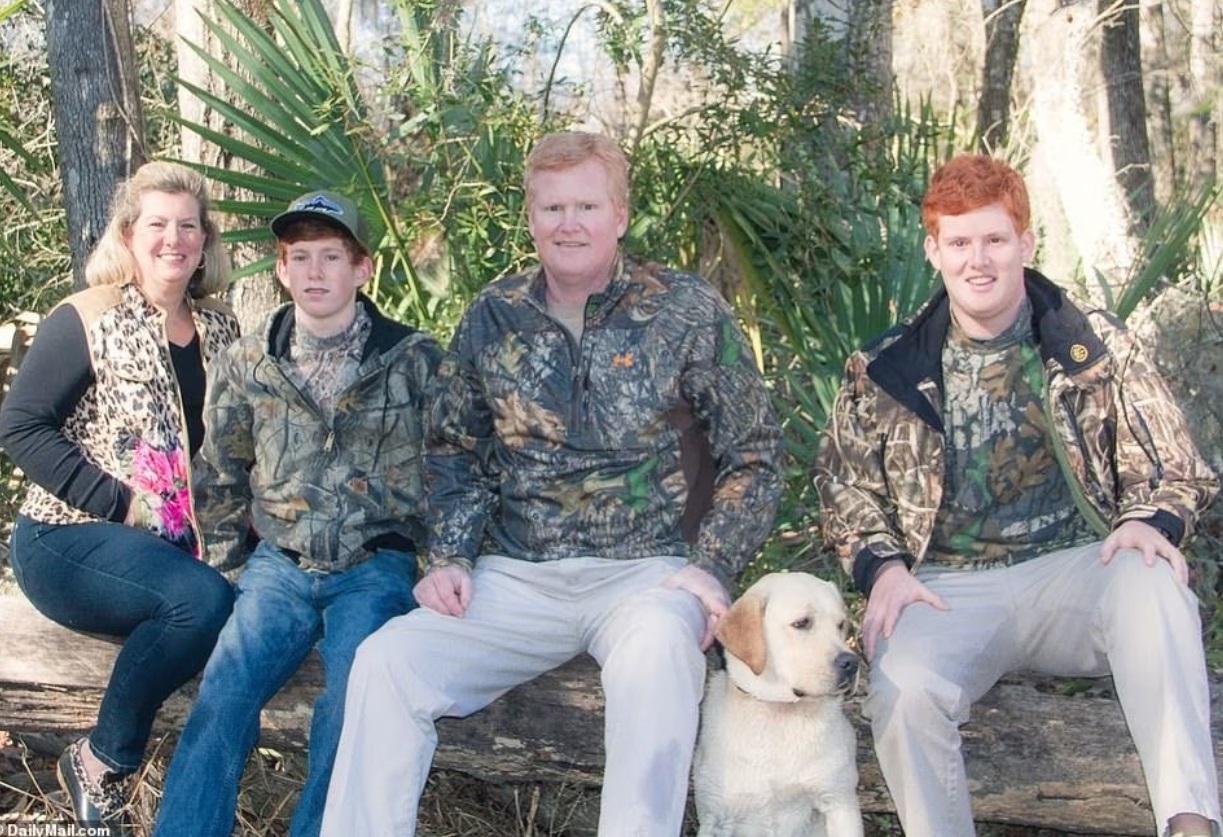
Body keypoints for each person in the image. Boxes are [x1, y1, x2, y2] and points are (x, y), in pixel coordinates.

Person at [321, 131, 784, 836]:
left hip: (645, 574)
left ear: (620, 216)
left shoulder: (685, 309)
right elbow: (452, 448)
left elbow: (753, 451)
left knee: (660, 655)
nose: (569, 223)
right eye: (552, 207)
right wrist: (449, 556)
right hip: (517, 576)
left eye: (587, 205)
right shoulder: (492, 313)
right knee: (388, 660)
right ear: (530, 217)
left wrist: (713, 566)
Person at [815, 153, 1221, 837]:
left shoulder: (1091, 342)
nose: (979, 260)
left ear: (1025, 243)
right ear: (933, 250)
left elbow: (1175, 461)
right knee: (903, 685)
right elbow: (843, 485)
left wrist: (1152, 519)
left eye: (994, 239)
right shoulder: (885, 366)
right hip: (947, 587)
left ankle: (1189, 823)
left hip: (1076, 570)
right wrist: (881, 565)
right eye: (960, 242)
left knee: (1151, 581)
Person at [151, 189, 443, 837]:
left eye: (331, 256)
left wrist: (446, 559)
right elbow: (220, 471)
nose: (314, 272)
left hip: (375, 570)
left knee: (348, 708)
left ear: (362, 268)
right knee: (222, 696)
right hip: (276, 569)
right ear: (281, 269)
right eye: (299, 256)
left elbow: (453, 465)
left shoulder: (413, 359)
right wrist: (227, 570)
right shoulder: (249, 362)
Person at [0, 161, 241, 831]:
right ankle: (102, 756)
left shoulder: (222, 331)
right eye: (157, 224)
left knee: (243, 607)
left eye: (188, 225)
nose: (174, 239)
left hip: (171, 547)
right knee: (200, 601)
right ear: (129, 235)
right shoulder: (87, 316)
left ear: (205, 240)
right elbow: (19, 426)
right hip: (67, 537)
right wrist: (120, 503)